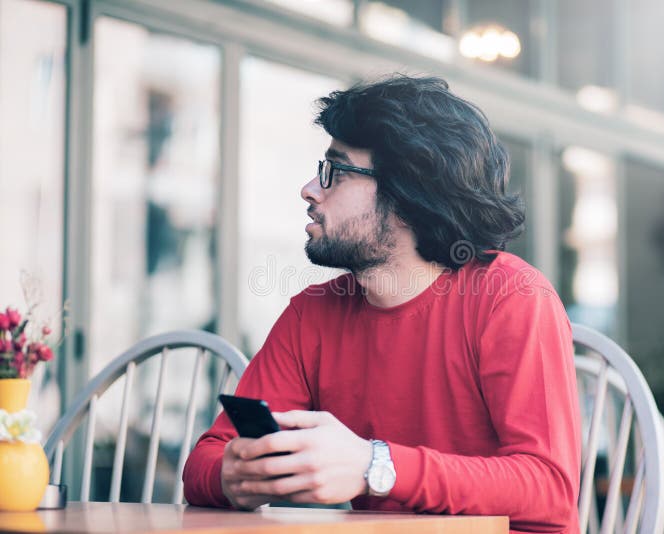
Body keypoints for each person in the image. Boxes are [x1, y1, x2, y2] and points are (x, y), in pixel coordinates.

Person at [183, 75, 581, 534]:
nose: (310, 189)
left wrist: (374, 464)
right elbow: (204, 462)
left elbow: (548, 489)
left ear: (407, 195)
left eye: (334, 170)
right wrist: (234, 477)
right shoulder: (312, 314)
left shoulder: (510, 297)